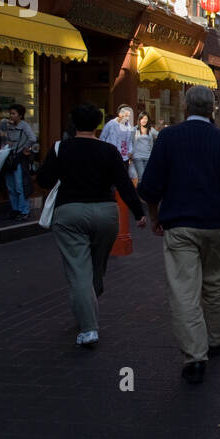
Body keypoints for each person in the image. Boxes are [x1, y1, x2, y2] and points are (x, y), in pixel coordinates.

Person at [139, 85, 220, 384]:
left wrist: (154, 217)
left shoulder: (168, 138)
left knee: (184, 291)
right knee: (215, 282)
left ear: (187, 108)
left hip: (180, 226)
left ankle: (194, 357)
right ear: (212, 109)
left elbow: (151, 186)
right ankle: (216, 339)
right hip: (216, 225)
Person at [35, 103, 146, 347]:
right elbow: (124, 185)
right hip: (106, 213)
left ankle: (88, 328)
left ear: (73, 123)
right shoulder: (108, 150)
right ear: (98, 125)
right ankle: (90, 297)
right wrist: (139, 212)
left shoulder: (59, 148)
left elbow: (43, 179)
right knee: (96, 266)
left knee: (79, 271)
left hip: (69, 213)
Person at [0, 103, 38, 220]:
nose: (11, 115)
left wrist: (24, 148)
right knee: (10, 186)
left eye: (13, 113)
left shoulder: (24, 125)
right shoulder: (7, 125)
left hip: (18, 158)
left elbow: (32, 138)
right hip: (8, 158)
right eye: (10, 113)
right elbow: (2, 137)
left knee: (20, 186)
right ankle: (15, 209)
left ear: (20, 115)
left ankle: (23, 210)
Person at [130, 112, 158, 187]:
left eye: (145, 118)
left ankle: (144, 194)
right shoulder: (134, 129)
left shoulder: (151, 130)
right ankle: (140, 195)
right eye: (142, 118)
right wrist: (130, 153)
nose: (144, 120)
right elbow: (129, 141)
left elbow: (160, 136)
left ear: (148, 120)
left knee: (147, 177)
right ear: (139, 119)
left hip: (148, 156)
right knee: (141, 177)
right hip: (137, 157)